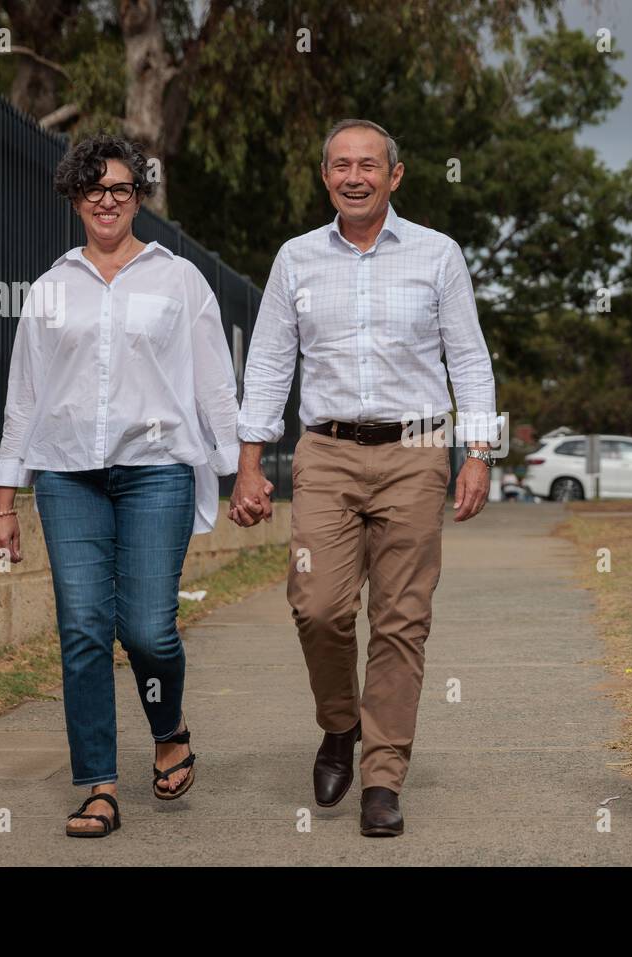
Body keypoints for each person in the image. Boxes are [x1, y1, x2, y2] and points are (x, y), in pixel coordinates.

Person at [231, 119, 498, 836]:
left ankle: (383, 776)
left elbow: (469, 360)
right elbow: (268, 363)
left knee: (402, 618)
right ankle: (339, 723)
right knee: (317, 604)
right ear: (325, 177)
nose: (355, 176)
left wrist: (479, 451)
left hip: (417, 453)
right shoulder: (295, 260)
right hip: (326, 453)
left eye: (369, 165)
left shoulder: (437, 256)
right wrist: (250, 463)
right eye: (342, 165)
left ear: (396, 176)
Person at [0, 133, 245, 836]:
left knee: (147, 628)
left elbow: (214, 385)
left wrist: (240, 471)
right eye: (94, 188)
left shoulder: (178, 279)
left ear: (139, 198)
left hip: (156, 470)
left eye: (122, 188)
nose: (108, 199)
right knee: (82, 630)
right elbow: (24, 398)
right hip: (68, 476)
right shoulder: (50, 288)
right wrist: (5, 499)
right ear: (75, 197)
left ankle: (169, 727)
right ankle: (98, 783)